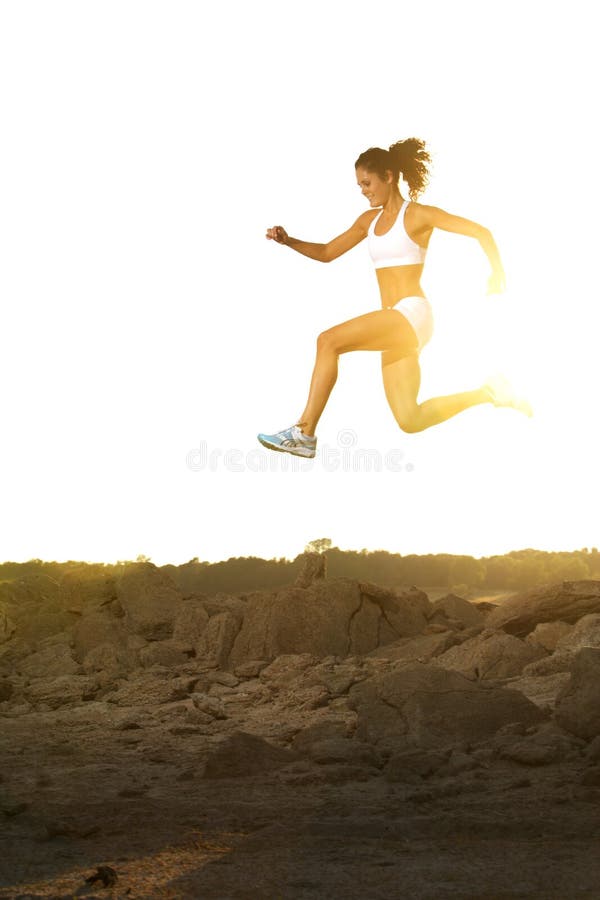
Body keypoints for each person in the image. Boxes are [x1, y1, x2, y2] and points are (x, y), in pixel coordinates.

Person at [257, 137, 531, 459]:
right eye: (359, 185)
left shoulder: (417, 215)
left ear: (388, 176)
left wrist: (497, 272)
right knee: (409, 419)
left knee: (328, 341)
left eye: (367, 183)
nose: (363, 191)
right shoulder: (368, 221)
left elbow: (481, 232)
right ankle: (488, 393)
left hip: (413, 313)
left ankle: (304, 432)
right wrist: (289, 241)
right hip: (395, 322)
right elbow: (328, 252)